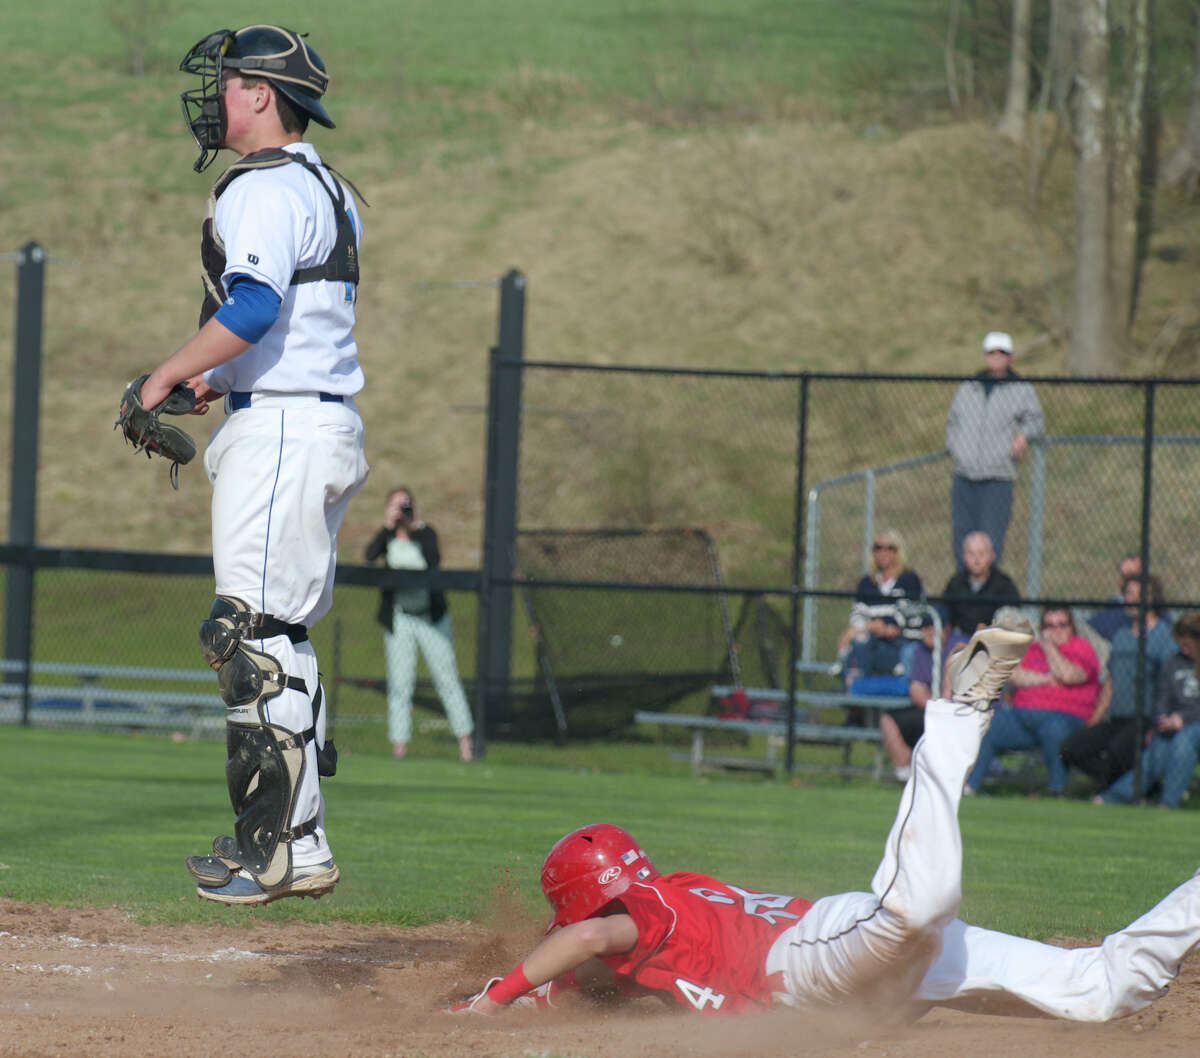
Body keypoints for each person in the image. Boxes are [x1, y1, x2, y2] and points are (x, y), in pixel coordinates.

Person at [453, 622, 1200, 1024]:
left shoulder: (638, 915)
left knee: (918, 909)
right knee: (1103, 991)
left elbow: (587, 935)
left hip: (816, 959)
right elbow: (597, 957)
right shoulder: (672, 894)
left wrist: (496, 995)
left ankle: (958, 711)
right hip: (876, 982)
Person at [137, 25, 369, 905]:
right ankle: (301, 845)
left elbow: (259, 303)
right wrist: (211, 375)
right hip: (311, 424)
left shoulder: (266, 185)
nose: (218, 99)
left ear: (264, 96)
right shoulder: (324, 184)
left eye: (230, 84)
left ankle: (267, 850)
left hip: (281, 436)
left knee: (247, 640)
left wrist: (167, 370)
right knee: (282, 636)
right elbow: (285, 321)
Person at [365, 487, 474, 762]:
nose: (401, 512)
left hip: (430, 617)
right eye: (395, 506)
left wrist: (416, 526)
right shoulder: (388, 537)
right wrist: (386, 526)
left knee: (446, 677)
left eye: (405, 506)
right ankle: (399, 747)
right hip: (401, 618)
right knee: (400, 682)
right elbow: (368, 556)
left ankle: (466, 744)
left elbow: (434, 559)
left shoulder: (425, 534)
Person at [964, 606, 1100, 797]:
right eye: (1050, 626)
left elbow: (1069, 675)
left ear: (1071, 627)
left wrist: (1049, 647)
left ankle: (1056, 790)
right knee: (991, 724)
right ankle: (970, 786)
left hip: (1066, 718)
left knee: (1053, 730)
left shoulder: (1081, 647)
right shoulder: (1032, 648)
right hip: (1023, 718)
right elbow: (1013, 675)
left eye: (1062, 625)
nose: (1056, 630)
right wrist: (1045, 679)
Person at [1060, 575, 1175, 790]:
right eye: (1128, 595)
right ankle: (1132, 788)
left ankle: (1113, 792)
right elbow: (1111, 681)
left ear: (1151, 599)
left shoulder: (1163, 636)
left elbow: (1169, 685)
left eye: (1136, 596)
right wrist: (1095, 719)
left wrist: (1156, 725)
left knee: (1117, 751)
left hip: (1145, 719)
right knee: (1070, 748)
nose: (1130, 600)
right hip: (1117, 719)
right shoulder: (1121, 635)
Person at [945, 331, 1044, 566]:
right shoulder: (969, 387)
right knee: (962, 543)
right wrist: (957, 450)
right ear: (985, 356)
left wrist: (1023, 435)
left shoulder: (1021, 389)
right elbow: (952, 422)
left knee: (991, 543)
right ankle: (963, 597)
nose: (997, 356)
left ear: (1010, 357)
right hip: (964, 476)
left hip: (997, 477)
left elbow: (1036, 420)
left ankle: (988, 597)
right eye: (992, 352)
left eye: (1002, 352)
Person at [1096, 612, 1200, 809]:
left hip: (1192, 725)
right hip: (1176, 724)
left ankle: (1167, 803)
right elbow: (1162, 697)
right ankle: (1115, 796)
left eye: (1188, 645)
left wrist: (1183, 718)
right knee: (1158, 748)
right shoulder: (1173, 663)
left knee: (1184, 739)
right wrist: (1162, 719)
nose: (1184, 650)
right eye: (1181, 645)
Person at [879, 614, 968, 784]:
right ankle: (906, 776)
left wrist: (944, 709)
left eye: (932, 628)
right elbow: (917, 690)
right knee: (888, 719)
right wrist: (937, 710)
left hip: (960, 713)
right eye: (924, 628)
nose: (927, 632)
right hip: (933, 709)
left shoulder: (959, 646)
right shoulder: (920, 650)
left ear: (946, 628)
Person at [939, 531, 1020, 637]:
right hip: (960, 640)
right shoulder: (955, 584)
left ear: (992, 556)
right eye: (971, 554)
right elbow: (945, 614)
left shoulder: (1004, 586)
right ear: (964, 556)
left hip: (993, 641)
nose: (976, 559)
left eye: (981, 553)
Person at [1087, 553, 1144, 642]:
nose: (1125, 581)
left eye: (1131, 576)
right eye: (1123, 575)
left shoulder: (1154, 610)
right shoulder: (1112, 605)